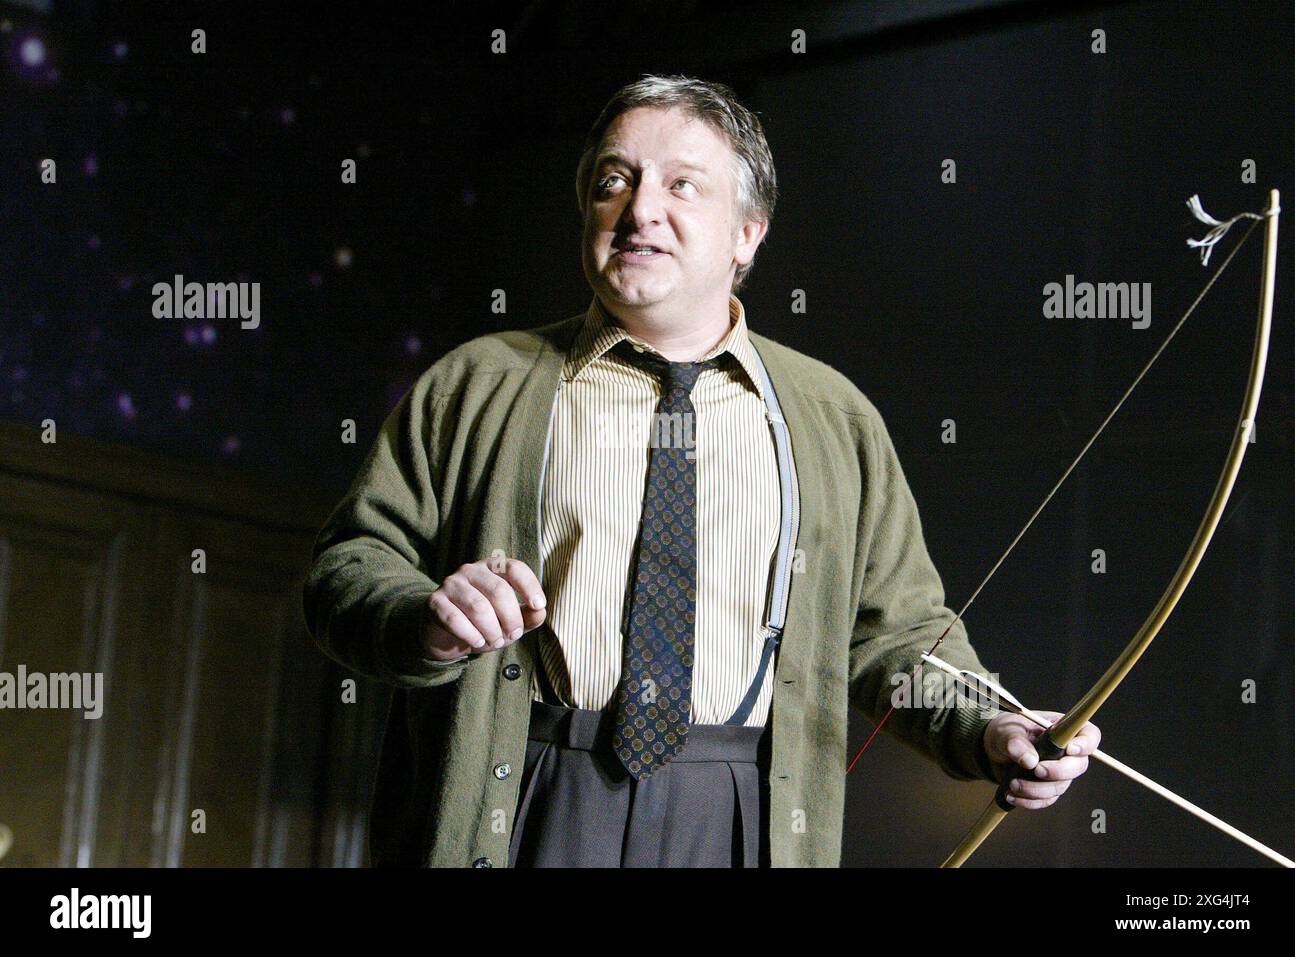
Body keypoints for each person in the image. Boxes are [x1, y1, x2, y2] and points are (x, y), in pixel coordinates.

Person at [302, 74, 1099, 868]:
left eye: (683, 184)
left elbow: (898, 637)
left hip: (739, 813)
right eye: (615, 180)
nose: (639, 208)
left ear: (748, 233)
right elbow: (347, 570)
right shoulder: (479, 381)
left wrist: (989, 725)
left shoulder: (835, 416)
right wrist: (429, 621)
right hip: (531, 794)